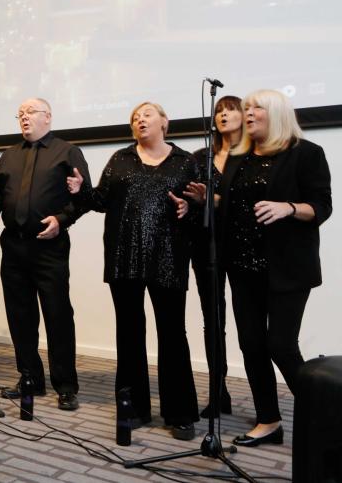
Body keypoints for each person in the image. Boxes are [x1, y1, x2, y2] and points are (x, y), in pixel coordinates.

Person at [67, 102, 200, 440]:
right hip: (124, 256)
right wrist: (80, 189)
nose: (140, 120)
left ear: (164, 122)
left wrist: (192, 206)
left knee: (172, 334)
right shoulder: (120, 159)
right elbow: (99, 200)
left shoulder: (186, 161)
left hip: (168, 257)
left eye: (147, 115)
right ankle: (134, 407)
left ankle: (180, 412)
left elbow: (199, 208)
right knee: (129, 334)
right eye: (135, 118)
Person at [217, 89, 331, 447]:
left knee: (280, 345)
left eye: (256, 108)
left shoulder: (307, 154)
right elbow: (230, 204)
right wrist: (208, 199)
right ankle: (269, 420)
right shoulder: (239, 157)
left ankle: (329, 414)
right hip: (242, 265)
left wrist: (289, 208)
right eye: (246, 108)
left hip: (287, 267)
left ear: (277, 113)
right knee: (251, 344)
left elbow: (321, 206)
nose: (248, 113)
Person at [0, 98, 91, 411]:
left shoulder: (68, 151)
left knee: (57, 315)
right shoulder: (9, 155)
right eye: (20, 114)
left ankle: (66, 385)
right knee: (20, 315)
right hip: (14, 245)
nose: (24, 117)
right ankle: (30, 376)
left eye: (31, 112)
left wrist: (62, 219)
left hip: (49, 247)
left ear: (48, 117)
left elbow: (84, 196)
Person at [188, 95, 242, 418]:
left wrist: (216, 198)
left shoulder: (252, 155)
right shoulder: (200, 157)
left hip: (242, 248)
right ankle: (217, 392)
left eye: (230, 110)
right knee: (213, 322)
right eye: (219, 111)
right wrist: (196, 199)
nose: (223, 115)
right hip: (206, 247)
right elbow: (192, 194)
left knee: (250, 324)